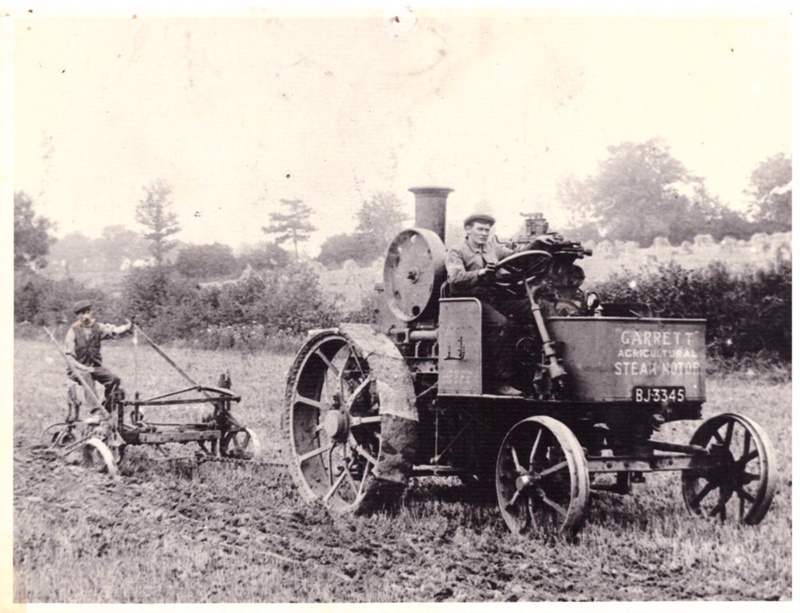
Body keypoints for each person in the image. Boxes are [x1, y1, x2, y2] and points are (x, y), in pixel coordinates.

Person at [445, 213, 556, 396]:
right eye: (480, 229)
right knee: (501, 324)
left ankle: (541, 367)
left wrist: (538, 242)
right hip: (470, 303)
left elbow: (517, 257)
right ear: (468, 230)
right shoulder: (456, 251)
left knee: (541, 308)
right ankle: (501, 381)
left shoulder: (492, 248)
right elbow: (455, 280)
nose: (484, 233)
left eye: (487, 230)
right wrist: (481, 273)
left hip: (495, 298)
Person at [64, 300, 133, 413]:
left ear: (91, 312)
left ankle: (108, 406)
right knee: (86, 376)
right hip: (77, 368)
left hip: (94, 366)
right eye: (81, 313)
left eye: (87, 312)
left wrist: (128, 326)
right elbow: (69, 358)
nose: (85, 315)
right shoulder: (72, 331)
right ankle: (96, 411)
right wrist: (83, 368)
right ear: (77, 315)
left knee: (114, 379)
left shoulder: (98, 327)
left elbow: (115, 331)